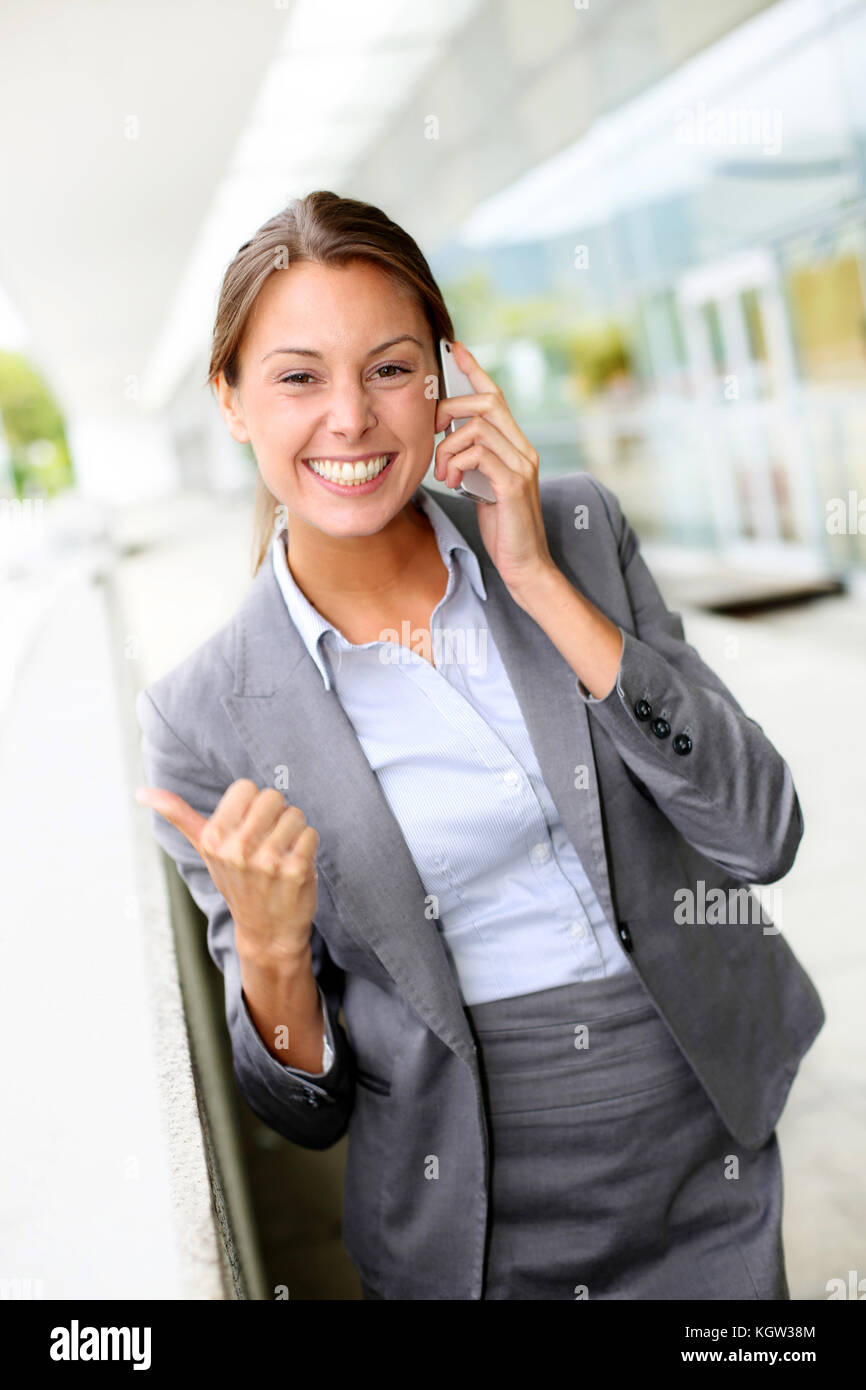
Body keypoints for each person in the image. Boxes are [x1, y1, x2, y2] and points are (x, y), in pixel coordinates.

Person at [135, 190, 825, 1301]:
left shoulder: (575, 530)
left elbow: (757, 830)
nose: (351, 418)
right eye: (299, 376)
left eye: (391, 367)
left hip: (709, 1148)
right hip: (475, 1218)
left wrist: (539, 583)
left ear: (446, 378)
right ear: (230, 401)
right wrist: (268, 957)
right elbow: (300, 1113)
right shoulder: (203, 714)